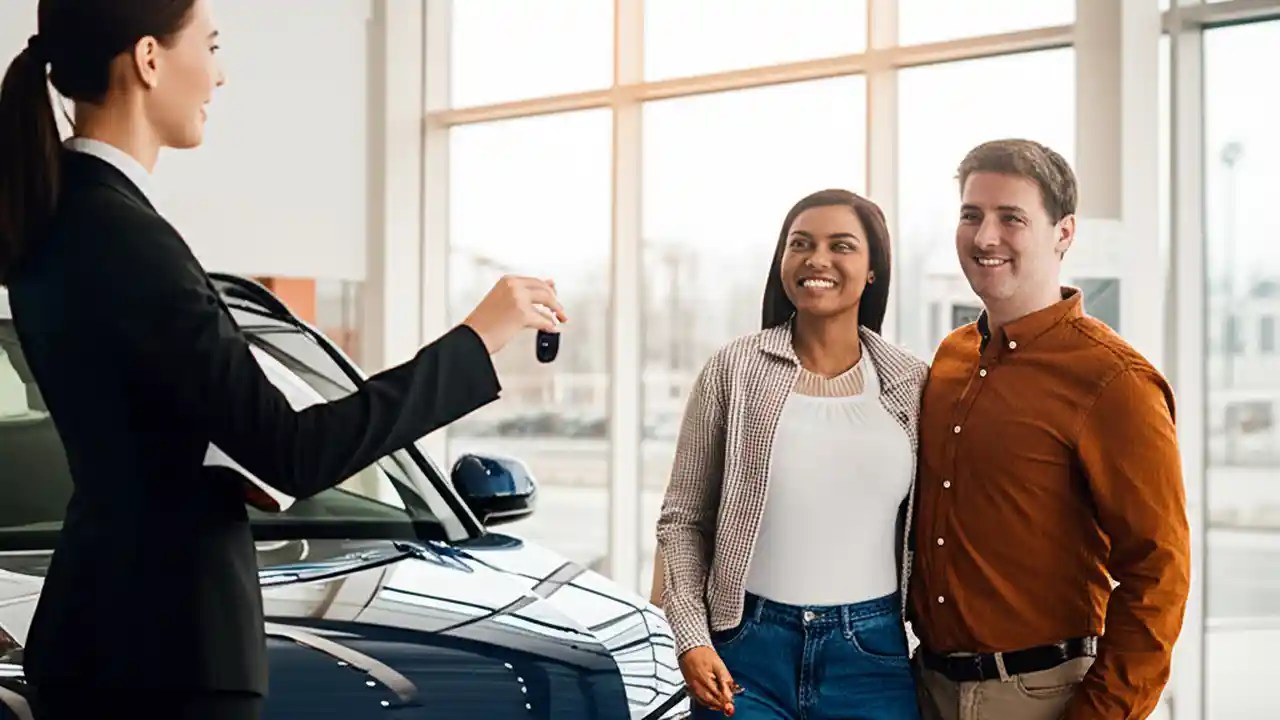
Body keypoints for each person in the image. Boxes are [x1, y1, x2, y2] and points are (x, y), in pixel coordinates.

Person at [0, 2, 565, 718]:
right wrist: (476, 340)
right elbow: (293, 452)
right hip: (171, 652)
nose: (220, 75)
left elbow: (134, 417)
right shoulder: (127, 237)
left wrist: (208, 461)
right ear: (148, 59)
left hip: (102, 635)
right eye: (210, 46)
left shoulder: (61, 220)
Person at [909, 139, 1190, 720]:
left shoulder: (1115, 382)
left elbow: (1158, 573)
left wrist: (1101, 713)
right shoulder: (950, 358)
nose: (985, 236)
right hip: (926, 687)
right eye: (971, 215)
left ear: (1064, 233)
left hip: (1042, 697)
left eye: (1011, 218)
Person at [657, 189, 929, 719]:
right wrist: (691, 638)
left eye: (841, 245)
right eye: (800, 244)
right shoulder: (732, 370)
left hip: (871, 655)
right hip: (744, 655)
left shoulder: (912, 382)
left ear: (873, 269)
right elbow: (682, 520)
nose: (816, 259)